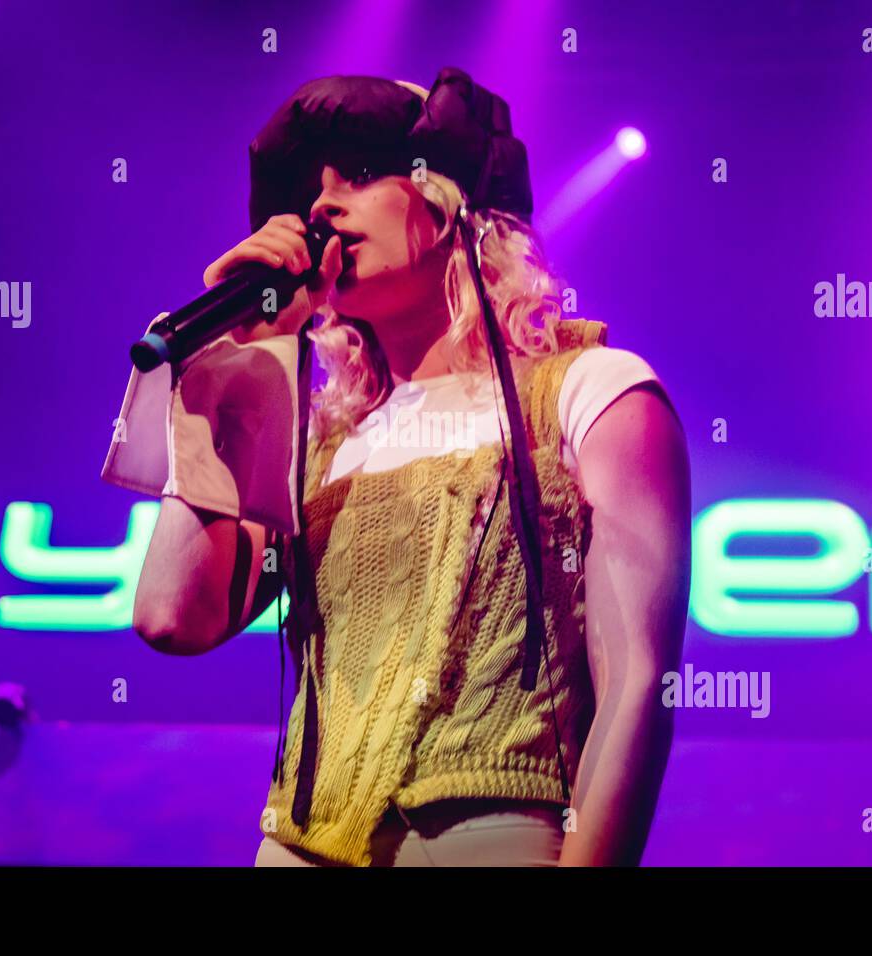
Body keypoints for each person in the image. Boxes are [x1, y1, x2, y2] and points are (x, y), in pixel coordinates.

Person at [129, 69, 691, 867]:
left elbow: (637, 687)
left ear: (453, 199)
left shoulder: (591, 390)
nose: (321, 208)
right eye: (312, 192)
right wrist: (240, 363)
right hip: (295, 847)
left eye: (358, 176)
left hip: (487, 838)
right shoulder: (315, 441)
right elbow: (170, 616)